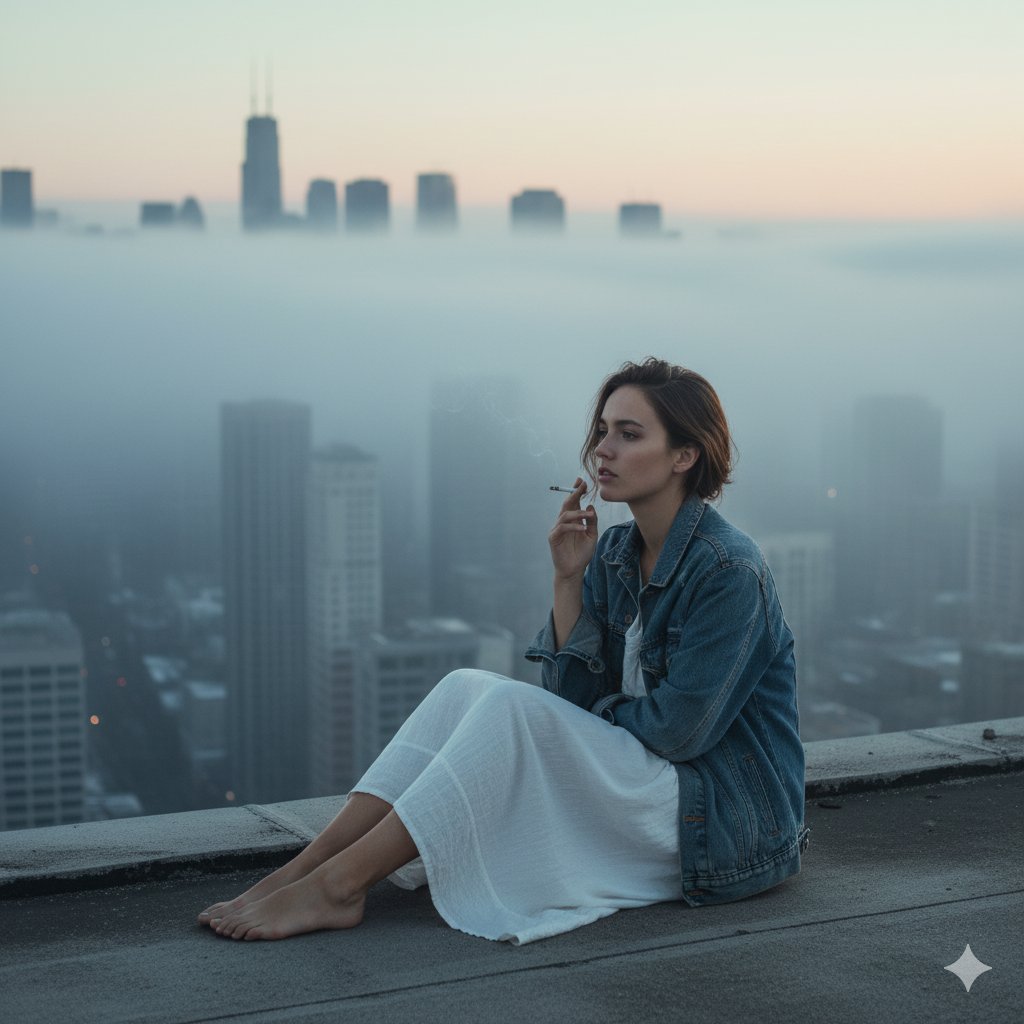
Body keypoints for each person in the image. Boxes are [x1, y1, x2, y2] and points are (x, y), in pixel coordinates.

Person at [197, 357, 809, 944]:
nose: (603, 449)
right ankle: (308, 867)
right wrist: (567, 578)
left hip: (715, 820)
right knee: (466, 685)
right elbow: (570, 699)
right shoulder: (617, 554)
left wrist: (589, 718)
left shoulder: (730, 570)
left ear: (685, 454)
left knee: (511, 710)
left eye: (628, 434)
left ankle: (339, 886)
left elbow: (679, 734)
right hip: (646, 785)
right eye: (602, 431)